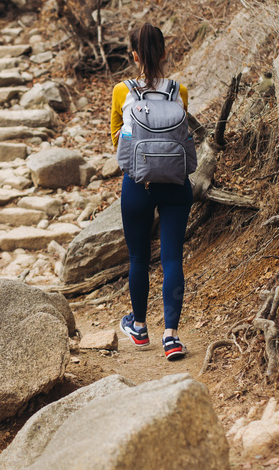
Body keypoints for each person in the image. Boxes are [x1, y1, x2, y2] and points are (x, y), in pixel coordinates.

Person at [110, 23, 194, 361]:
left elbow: (116, 136)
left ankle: (140, 327)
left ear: (133, 55)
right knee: (173, 257)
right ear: (163, 52)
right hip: (175, 183)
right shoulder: (179, 90)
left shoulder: (121, 91)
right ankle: (171, 338)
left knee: (138, 258)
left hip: (137, 184)